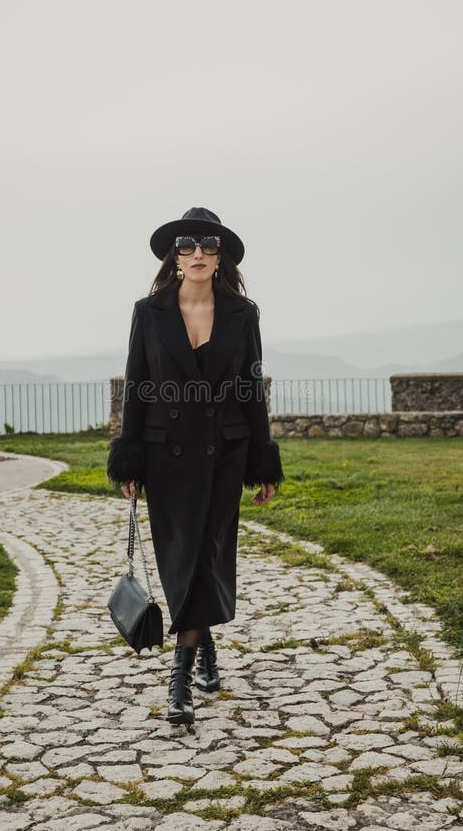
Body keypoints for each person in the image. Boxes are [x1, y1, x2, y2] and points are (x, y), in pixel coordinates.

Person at [107, 206, 284, 726]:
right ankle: (203, 649)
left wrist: (262, 458)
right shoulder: (149, 311)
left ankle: (179, 679)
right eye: (188, 245)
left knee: (209, 552)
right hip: (166, 455)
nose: (199, 253)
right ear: (175, 256)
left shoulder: (242, 313)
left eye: (209, 245)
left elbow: (251, 388)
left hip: (224, 453)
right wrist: (130, 456)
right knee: (181, 558)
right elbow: (137, 383)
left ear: (220, 255)